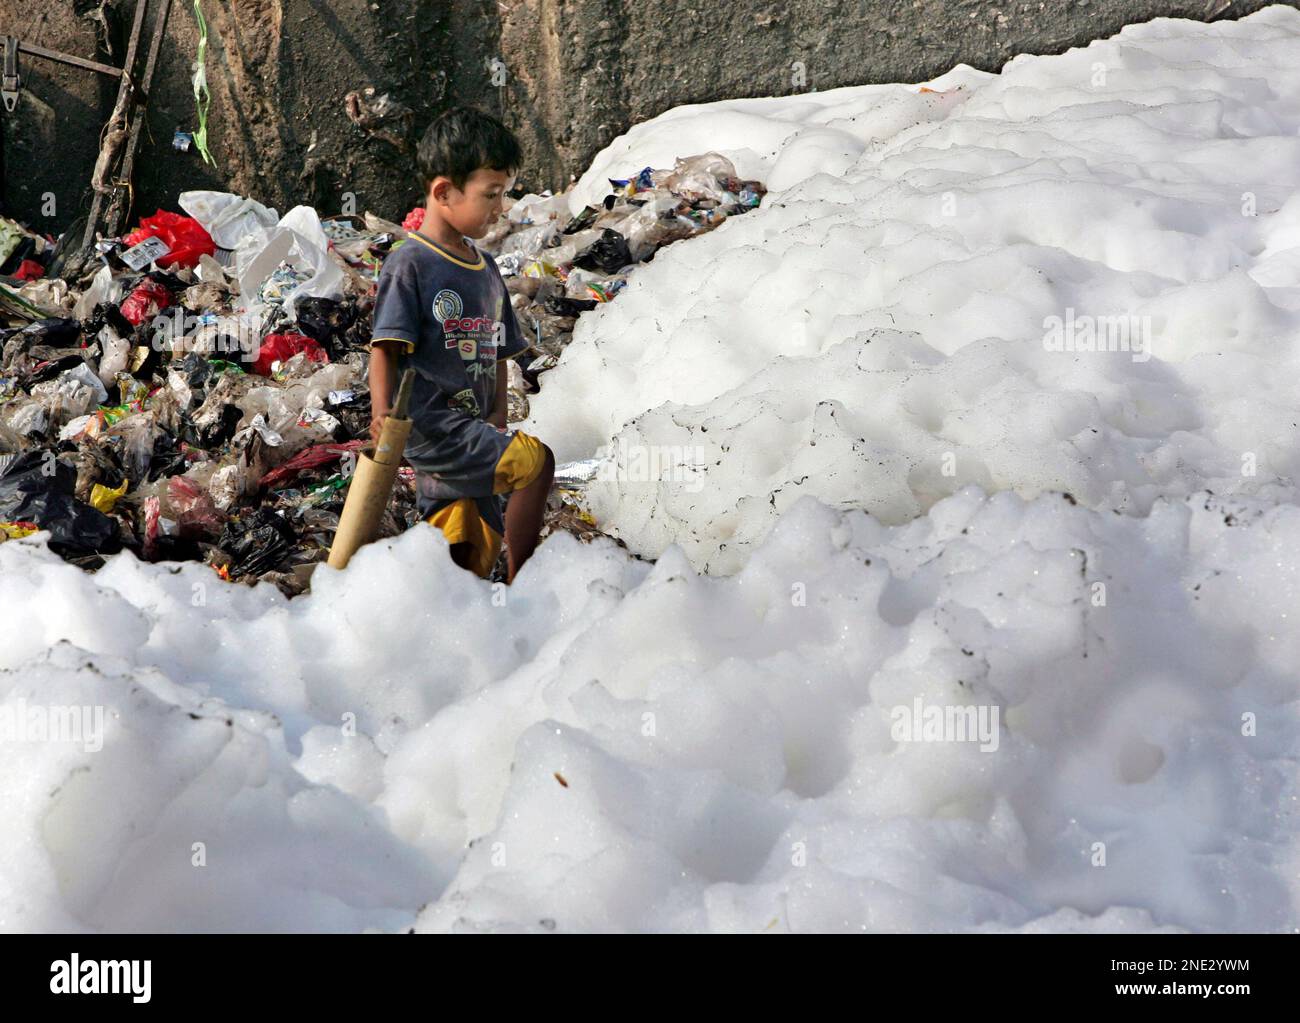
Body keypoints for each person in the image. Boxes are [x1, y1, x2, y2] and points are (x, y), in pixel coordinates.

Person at [368, 107, 554, 582]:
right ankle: (522, 585)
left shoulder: (487, 269)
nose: (500, 208)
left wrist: (497, 413)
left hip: (472, 426)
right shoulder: (410, 264)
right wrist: (382, 413)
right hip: (430, 424)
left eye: (505, 195)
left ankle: (451, 611)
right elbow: (385, 346)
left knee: (468, 536)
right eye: (490, 195)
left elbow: (494, 351)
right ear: (443, 192)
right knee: (536, 463)